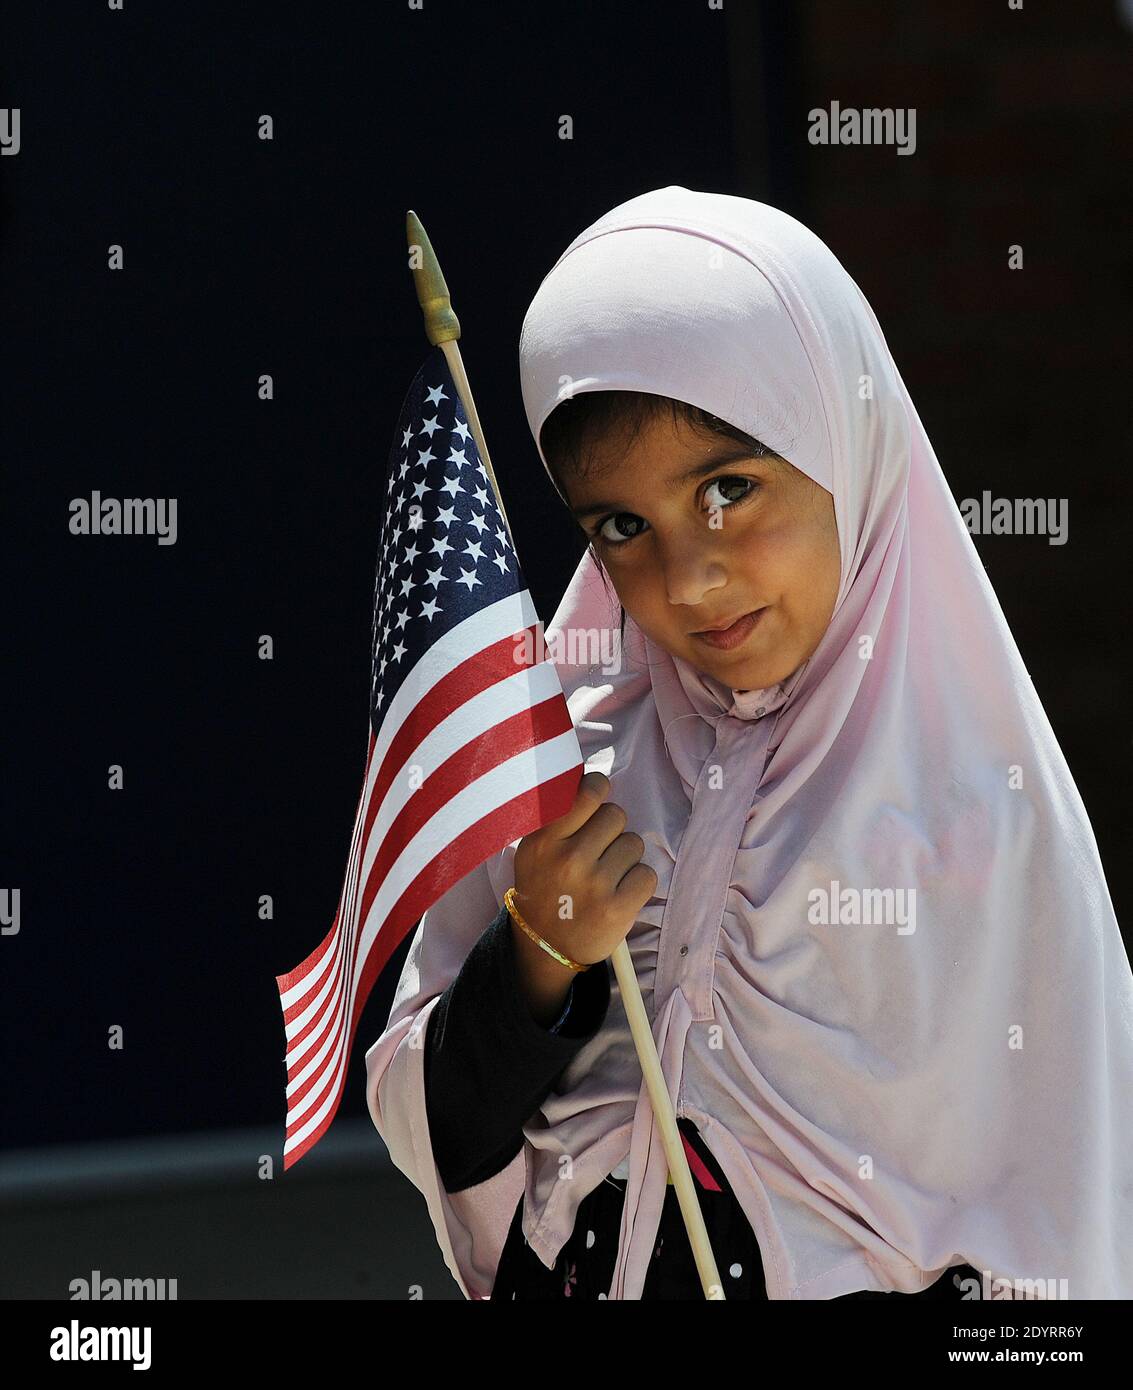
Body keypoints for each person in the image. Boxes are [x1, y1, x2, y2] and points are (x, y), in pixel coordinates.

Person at [365, 186, 1133, 1300]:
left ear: (845, 442)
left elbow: (1070, 1247)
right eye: (620, 527)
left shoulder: (980, 819)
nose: (688, 578)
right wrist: (535, 954)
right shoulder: (567, 762)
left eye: (729, 489)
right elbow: (441, 1135)